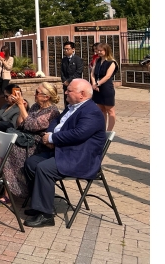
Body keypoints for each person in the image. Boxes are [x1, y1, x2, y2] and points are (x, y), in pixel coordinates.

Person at [23, 78, 106, 228]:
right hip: (65, 151)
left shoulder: (91, 112)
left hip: (80, 158)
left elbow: (78, 134)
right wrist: (48, 135)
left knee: (44, 169)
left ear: (82, 94)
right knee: (31, 163)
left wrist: (52, 138)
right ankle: (39, 204)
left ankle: (46, 215)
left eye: (69, 90)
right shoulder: (72, 106)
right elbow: (56, 122)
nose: (65, 92)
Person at [1, 82, 61, 200]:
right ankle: (5, 184)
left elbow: (32, 126)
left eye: (37, 92)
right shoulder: (35, 106)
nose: (34, 94)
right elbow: (21, 124)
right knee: (2, 146)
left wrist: (21, 106)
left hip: (39, 144)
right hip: (26, 139)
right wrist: (22, 108)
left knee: (9, 151)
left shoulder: (52, 112)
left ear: (46, 97)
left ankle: (10, 192)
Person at [91, 43, 118, 131]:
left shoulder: (112, 62)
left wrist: (97, 84)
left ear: (106, 51)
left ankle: (109, 131)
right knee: (101, 110)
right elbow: (92, 73)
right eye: (98, 50)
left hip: (106, 88)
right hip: (97, 88)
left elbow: (107, 76)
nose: (98, 52)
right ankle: (102, 129)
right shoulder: (97, 60)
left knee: (110, 110)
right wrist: (94, 83)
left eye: (101, 50)